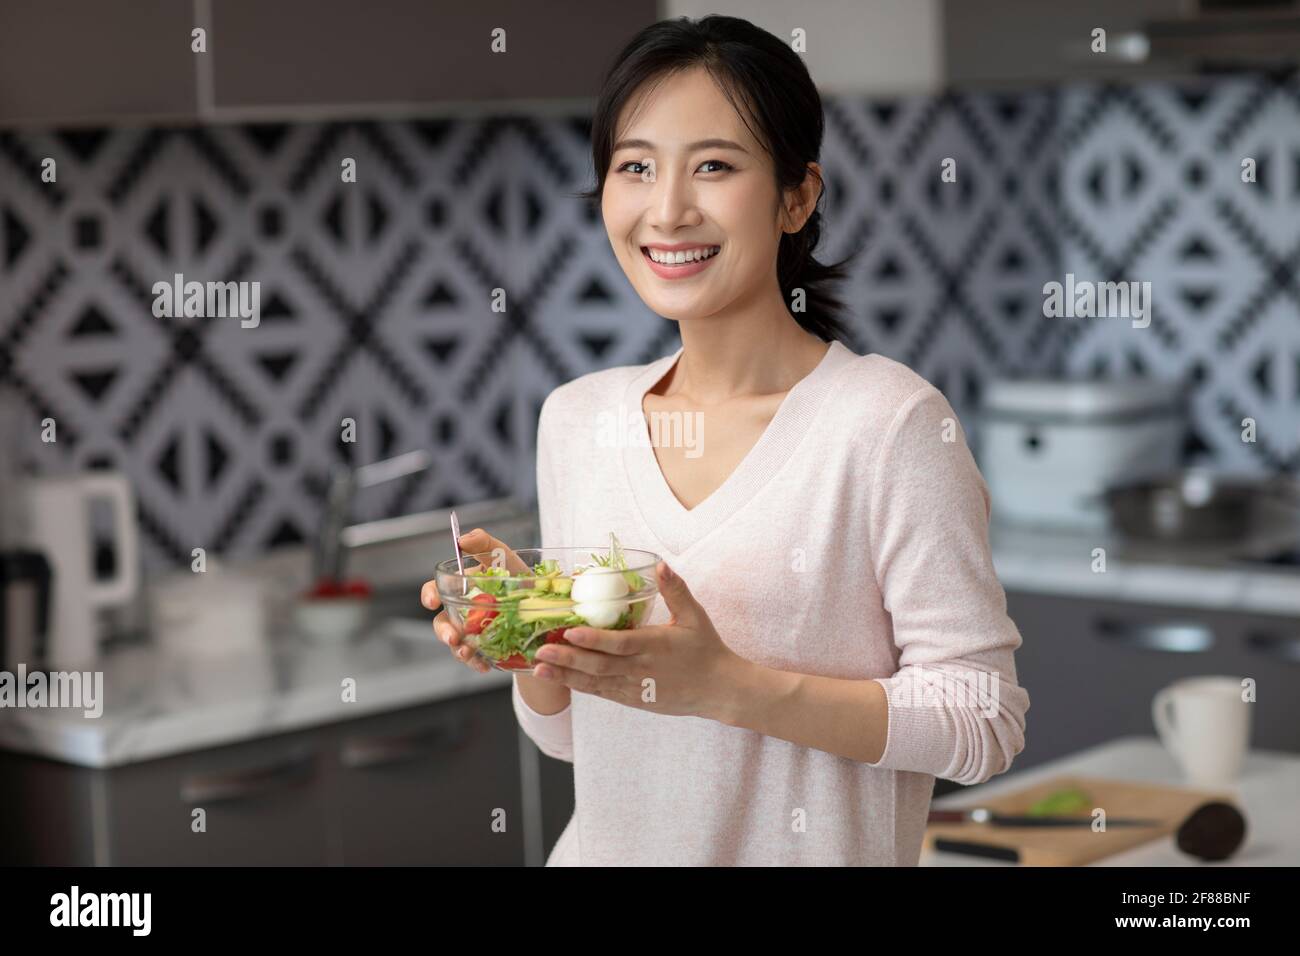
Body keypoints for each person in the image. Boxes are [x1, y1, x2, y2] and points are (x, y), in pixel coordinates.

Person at [420, 14, 1029, 866]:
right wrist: (531, 633)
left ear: (797, 196)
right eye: (635, 167)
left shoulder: (887, 425)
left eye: (713, 165)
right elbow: (570, 741)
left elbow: (981, 721)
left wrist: (727, 686)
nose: (668, 210)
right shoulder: (578, 419)